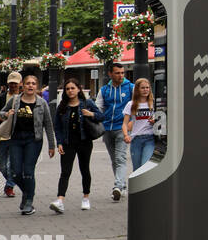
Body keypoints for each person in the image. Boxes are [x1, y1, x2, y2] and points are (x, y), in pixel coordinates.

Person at [0, 75, 55, 215]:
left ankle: (29, 201)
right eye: (28, 83)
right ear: (22, 85)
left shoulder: (42, 103)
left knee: (28, 172)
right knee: (15, 173)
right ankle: (27, 192)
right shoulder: (15, 100)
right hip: (16, 140)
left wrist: (51, 145)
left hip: (33, 140)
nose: (30, 86)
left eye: (33, 84)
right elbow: (1, 113)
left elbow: (48, 124)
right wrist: (7, 114)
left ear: (37, 86)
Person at [53, 78, 99, 213]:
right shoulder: (62, 106)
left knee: (84, 169)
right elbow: (57, 127)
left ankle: (86, 197)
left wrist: (91, 114)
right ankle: (60, 200)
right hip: (68, 143)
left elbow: (101, 116)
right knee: (65, 172)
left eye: (72, 88)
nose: (70, 91)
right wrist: (59, 142)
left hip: (84, 142)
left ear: (78, 89)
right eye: (67, 89)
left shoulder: (87, 103)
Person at [96, 62, 134, 203]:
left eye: (122, 73)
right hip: (107, 129)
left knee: (120, 158)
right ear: (110, 74)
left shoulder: (130, 88)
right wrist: (95, 118)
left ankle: (117, 186)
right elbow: (99, 107)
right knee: (114, 160)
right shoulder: (104, 90)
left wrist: (132, 122)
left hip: (122, 129)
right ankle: (122, 186)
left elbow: (137, 106)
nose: (121, 75)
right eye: (117, 73)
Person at [0, 71, 21, 197]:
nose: (13, 86)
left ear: (20, 84)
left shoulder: (24, 97)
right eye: (11, 83)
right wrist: (2, 117)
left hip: (16, 136)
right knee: (1, 164)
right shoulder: (1, 98)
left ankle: (9, 185)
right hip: (2, 135)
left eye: (15, 83)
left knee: (12, 164)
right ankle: (11, 181)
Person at [124, 78, 157, 171]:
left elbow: (161, 118)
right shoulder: (131, 104)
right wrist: (126, 135)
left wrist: (155, 121)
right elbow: (125, 123)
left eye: (147, 87)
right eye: (142, 88)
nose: (145, 90)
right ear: (137, 90)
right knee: (137, 169)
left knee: (145, 166)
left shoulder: (153, 103)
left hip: (149, 138)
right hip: (136, 139)